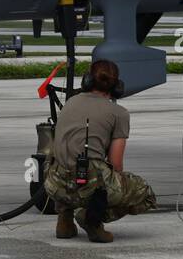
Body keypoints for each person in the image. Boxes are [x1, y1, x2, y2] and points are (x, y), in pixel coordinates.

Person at [44, 58, 157, 242]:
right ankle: (91, 219)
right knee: (145, 194)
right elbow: (116, 164)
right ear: (117, 86)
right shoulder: (119, 113)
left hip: (54, 184)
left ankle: (64, 218)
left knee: (67, 162)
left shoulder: (70, 102)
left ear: (87, 80)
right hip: (86, 184)